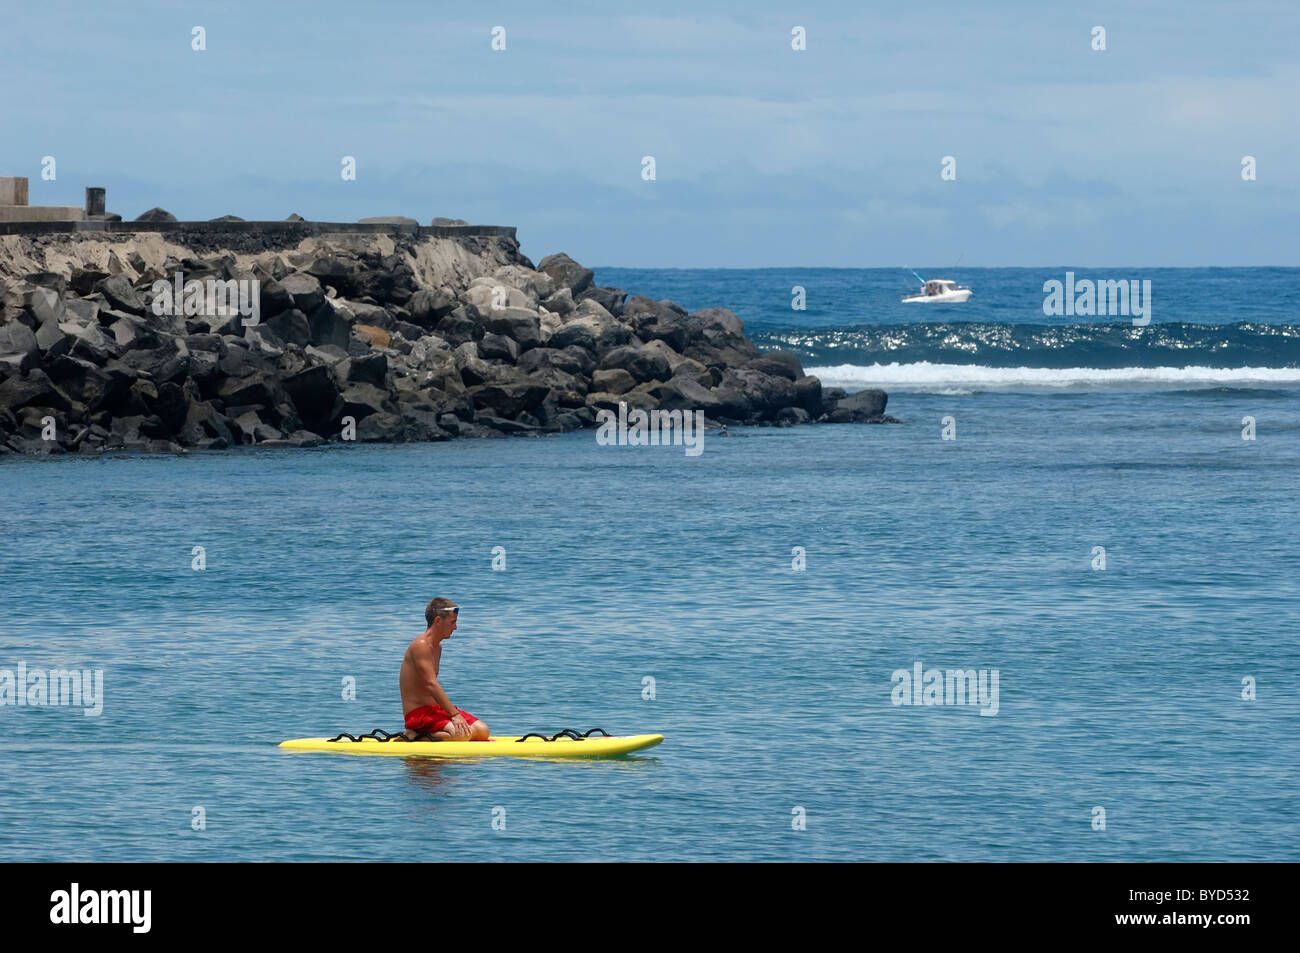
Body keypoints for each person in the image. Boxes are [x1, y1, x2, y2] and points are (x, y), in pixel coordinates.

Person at [399, 598, 490, 741]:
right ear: (438, 621)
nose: (456, 628)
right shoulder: (421, 645)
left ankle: (437, 733)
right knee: (461, 736)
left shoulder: (437, 648)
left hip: (435, 711)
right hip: (418, 714)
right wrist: (454, 715)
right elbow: (431, 684)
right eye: (452, 622)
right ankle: (413, 735)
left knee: (483, 731)